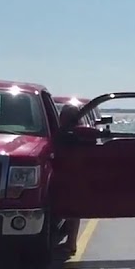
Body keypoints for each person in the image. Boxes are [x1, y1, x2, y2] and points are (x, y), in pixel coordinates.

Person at [57, 102, 85, 252]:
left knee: (72, 210)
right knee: (71, 210)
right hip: (71, 174)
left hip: (72, 175)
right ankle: (70, 241)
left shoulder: (72, 133)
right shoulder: (74, 132)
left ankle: (71, 243)